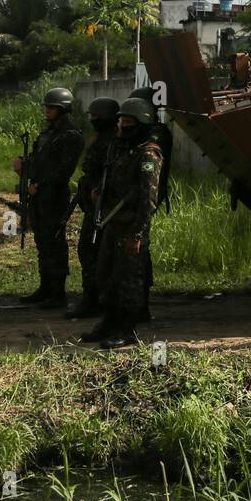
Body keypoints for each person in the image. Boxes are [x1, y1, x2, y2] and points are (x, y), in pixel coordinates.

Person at [82, 97, 163, 349]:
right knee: (105, 274)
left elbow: (148, 199)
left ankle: (127, 329)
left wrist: (137, 234)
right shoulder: (119, 148)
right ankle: (109, 321)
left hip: (130, 226)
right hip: (111, 222)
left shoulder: (148, 154)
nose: (123, 127)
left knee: (128, 279)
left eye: (129, 123)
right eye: (121, 122)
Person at [13, 87, 84, 309]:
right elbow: (39, 160)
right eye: (46, 106)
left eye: (51, 107)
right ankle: (46, 288)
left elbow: (63, 170)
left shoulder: (70, 135)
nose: (47, 110)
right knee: (42, 242)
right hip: (39, 196)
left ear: (63, 109)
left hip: (53, 196)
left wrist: (39, 185)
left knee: (55, 242)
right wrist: (25, 166)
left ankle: (57, 293)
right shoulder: (48, 133)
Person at [67, 96, 119, 320]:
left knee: (91, 251)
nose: (92, 120)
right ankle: (94, 298)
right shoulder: (101, 139)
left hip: (103, 207)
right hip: (93, 204)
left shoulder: (113, 142)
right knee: (88, 251)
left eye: (96, 117)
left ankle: (94, 300)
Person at [127, 86, 172, 323]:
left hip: (145, 196)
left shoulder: (155, 136)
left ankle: (139, 307)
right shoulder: (148, 133)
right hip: (138, 197)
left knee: (138, 253)